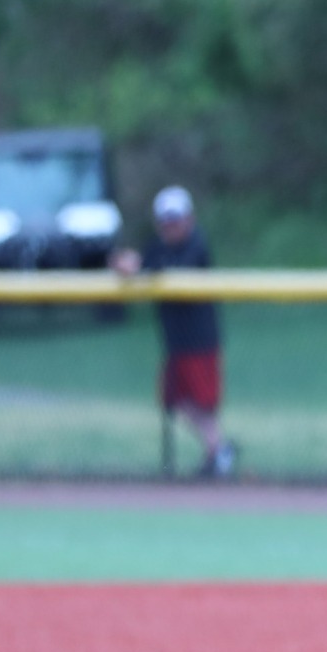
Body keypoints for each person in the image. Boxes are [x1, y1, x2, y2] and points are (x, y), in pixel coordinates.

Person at [110, 186, 236, 478]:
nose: (171, 227)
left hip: (199, 340)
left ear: (189, 219)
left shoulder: (197, 244)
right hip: (175, 341)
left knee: (202, 402)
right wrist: (127, 264)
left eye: (176, 220)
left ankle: (219, 451)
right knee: (174, 399)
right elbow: (143, 264)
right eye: (165, 221)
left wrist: (139, 267)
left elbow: (174, 271)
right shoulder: (158, 247)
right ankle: (218, 450)